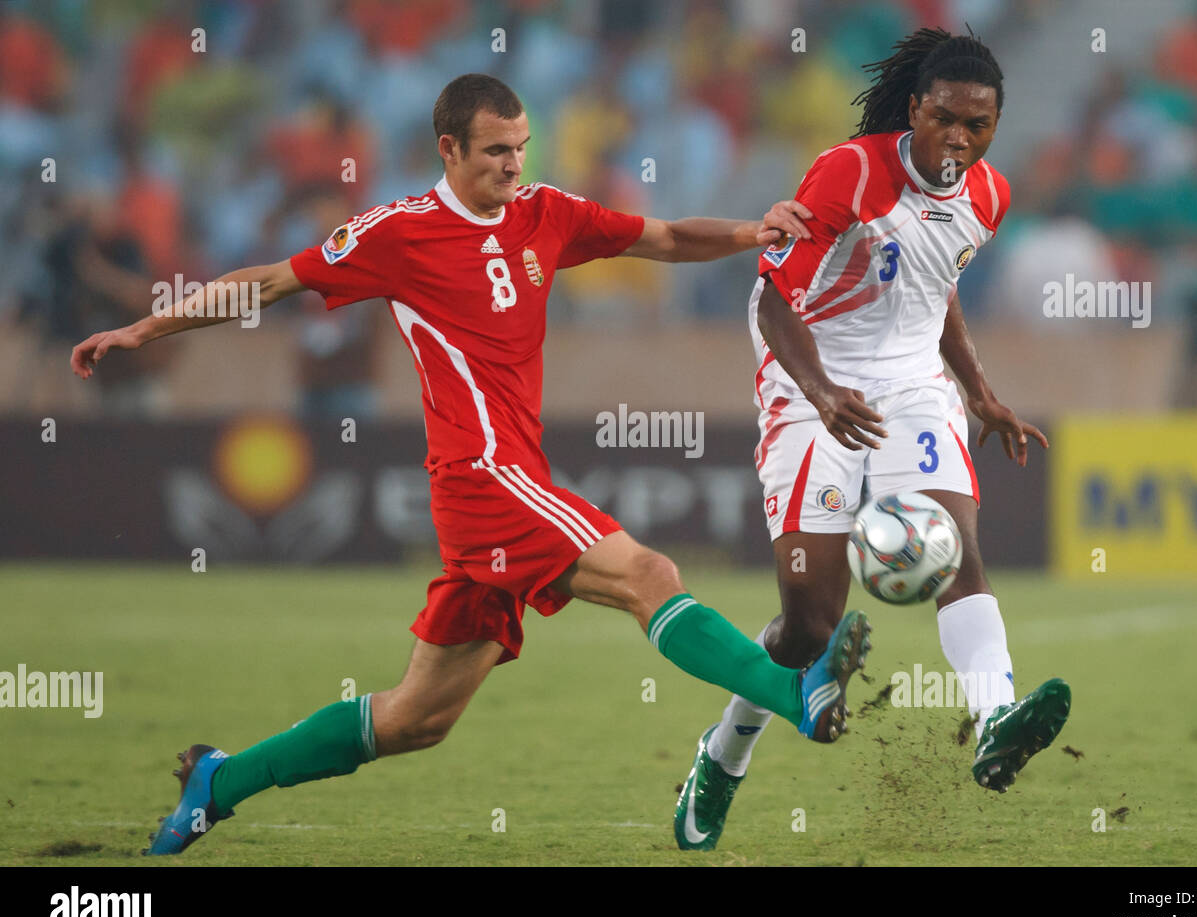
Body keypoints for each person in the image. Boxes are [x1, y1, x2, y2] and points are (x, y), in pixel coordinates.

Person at [70, 73, 873, 856]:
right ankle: (794, 697)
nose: (513, 166)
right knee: (649, 575)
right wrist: (143, 331)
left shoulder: (545, 213)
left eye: (521, 147)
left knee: (416, 719)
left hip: (503, 483)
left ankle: (220, 781)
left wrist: (749, 233)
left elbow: (659, 238)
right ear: (448, 149)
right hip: (482, 477)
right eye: (495, 151)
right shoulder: (395, 233)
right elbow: (272, 283)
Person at [673, 28, 1071, 852]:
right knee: (809, 625)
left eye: (980, 126)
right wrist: (821, 395)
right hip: (809, 375)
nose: (960, 140)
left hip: (915, 385)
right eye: (946, 121)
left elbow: (937, 288)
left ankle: (996, 716)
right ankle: (723, 756)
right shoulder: (850, 170)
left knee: (959, 551)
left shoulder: (989, 194)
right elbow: (774, 296)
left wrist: (981, 394)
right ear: (916, 109)